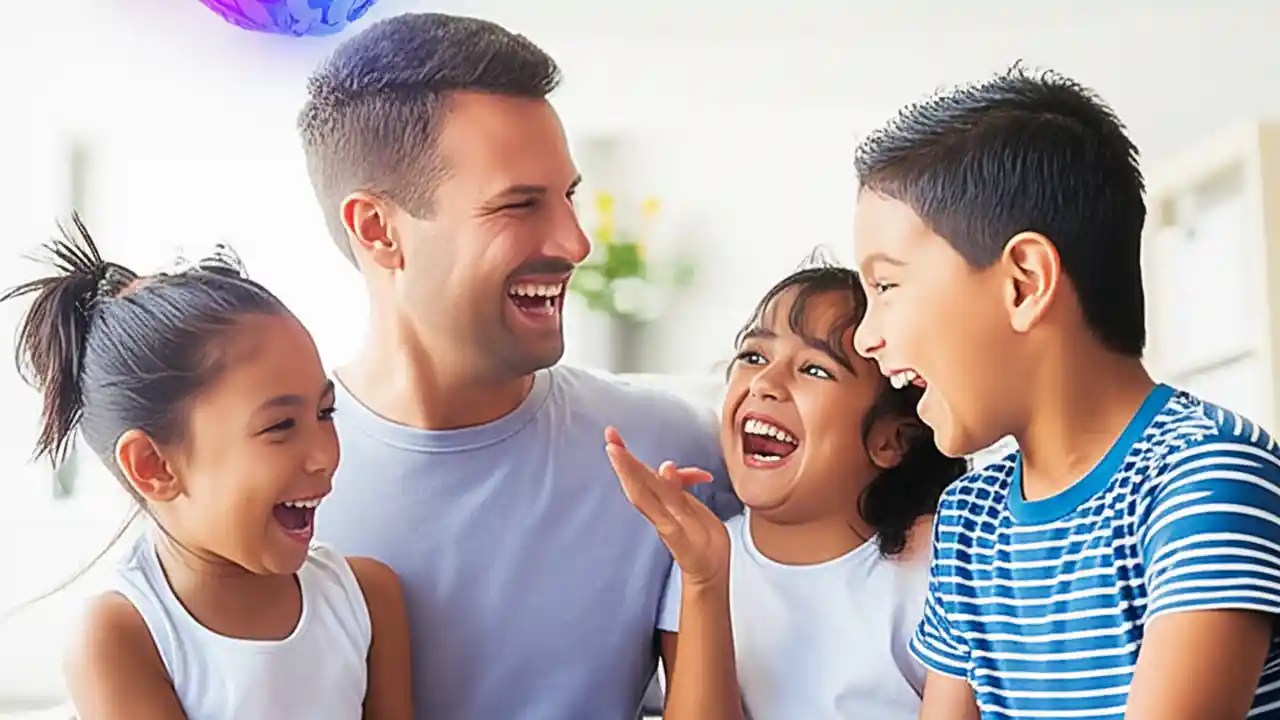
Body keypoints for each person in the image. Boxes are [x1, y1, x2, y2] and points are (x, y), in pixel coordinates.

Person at [296, 12, 741, 719]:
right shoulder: (272, 489)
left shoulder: (672, 455)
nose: (575, 243)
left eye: (567, 197)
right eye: (519, 205)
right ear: (377, 229)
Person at [851, 64, 1280, 720]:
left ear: (1024, 283)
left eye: (886, 287)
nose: (866, 338)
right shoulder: (969, 520)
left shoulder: (1207, 480)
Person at [3, 217, 413, 719]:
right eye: (281, 425)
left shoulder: (367, 600)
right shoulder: (123, 637)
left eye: (325, 413)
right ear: (153, 465)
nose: (325, 455)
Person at [605, 261, 967, 719]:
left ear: (892, 441)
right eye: (754, 357)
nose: (765, 383)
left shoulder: (940, 565)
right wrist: (704, 581)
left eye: (815, 369)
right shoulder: (701, 561)